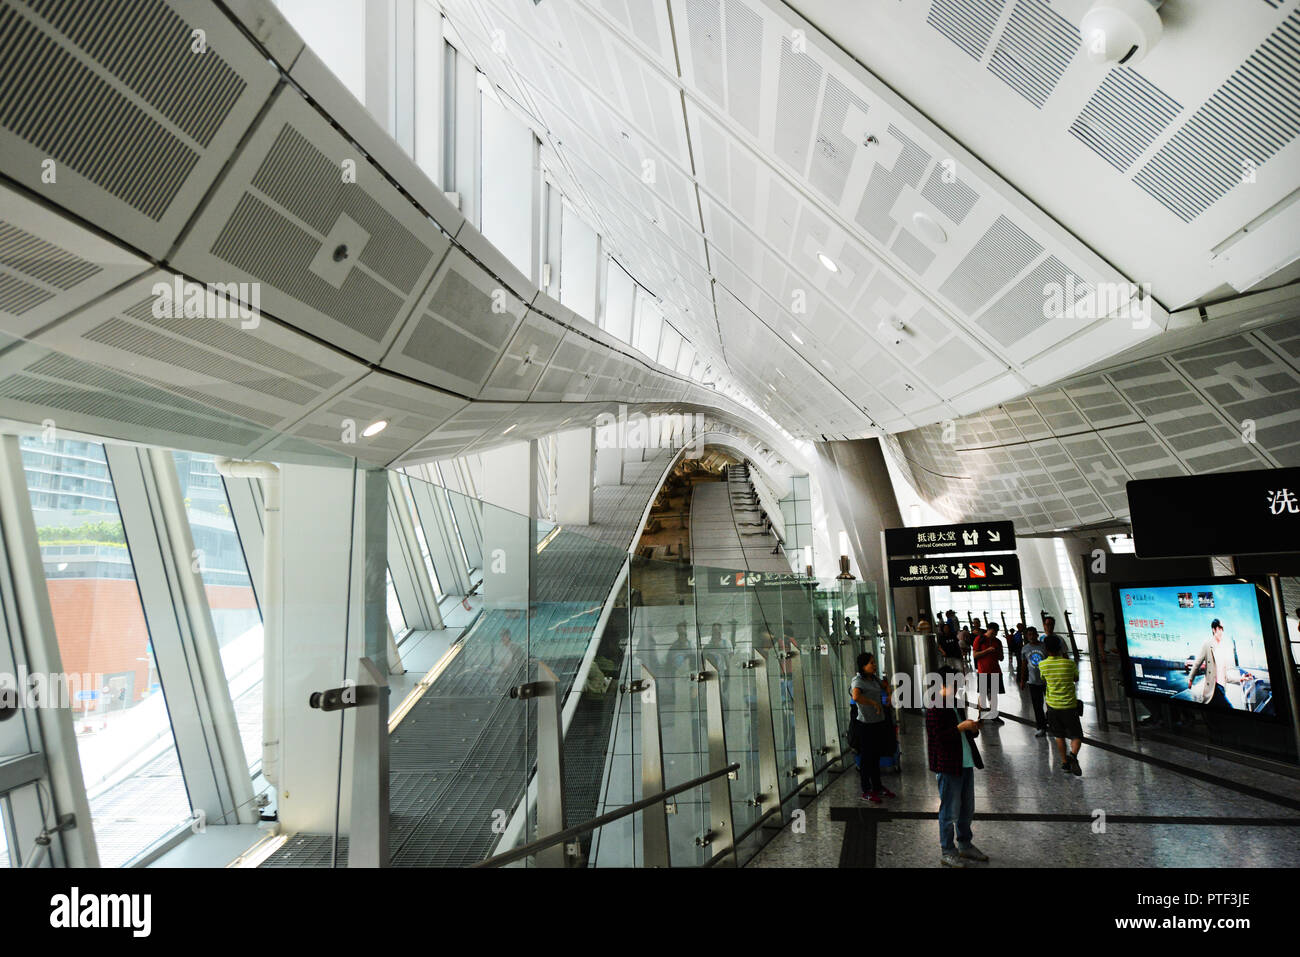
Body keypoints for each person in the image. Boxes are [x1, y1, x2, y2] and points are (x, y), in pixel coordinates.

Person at [925, 665, 987, 867]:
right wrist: (961, 727)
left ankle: (965, 844)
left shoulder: (955, 703)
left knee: (967, 808)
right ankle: (947, 850)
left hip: (965, 762)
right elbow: (939, 738)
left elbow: (965, 733)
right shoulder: (935, 705)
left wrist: (973, 728)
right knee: (950, 810)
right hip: (948, 765)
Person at [851, 653, 896, 803]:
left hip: (878, 722)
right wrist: (873, 703)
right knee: (866, 758)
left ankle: (877, 786)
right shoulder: (858, 681)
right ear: (863, 666)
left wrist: (889, 695)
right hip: (865, 725)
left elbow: (886, 685)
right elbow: (856, 696)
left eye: (874, 662)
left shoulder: (874, 679)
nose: (874, 665)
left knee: (876, 756)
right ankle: (866, 789)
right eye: (871, 663)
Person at [1040, 634, 1083, 775]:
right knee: (1076, 735)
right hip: (1070, 706)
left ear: (1046, 649)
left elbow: (1043, 679)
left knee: (1059, 736)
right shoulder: (1069, 663)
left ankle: (1065, 763)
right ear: (1060, 648)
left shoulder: (1043, 665)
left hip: (1053, 706)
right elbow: (1075, 678)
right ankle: (1073, 756)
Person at [1188, 619, 1242, 709]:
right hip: (1214, 689)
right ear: (1214, 629)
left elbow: (1225, 677)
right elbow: (1197, 663)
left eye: (1222, 629)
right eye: (1219, 628)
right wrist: (1190, 679)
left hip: (1221, 689)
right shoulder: (1207, 645)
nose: (1221, 631)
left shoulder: (1222, 649)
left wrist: (1241, 679)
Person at [971, 622, 1004, 723]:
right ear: (988, 630)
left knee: (993, 695)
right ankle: (981, 716)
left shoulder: (997, 641)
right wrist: (987, 651)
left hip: (995, 671)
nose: (994, 634)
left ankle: (994, 714)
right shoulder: (979, 639)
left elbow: (1001, 658)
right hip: (983, 671)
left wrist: (997, 652)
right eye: (993, 632)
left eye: (996, 632)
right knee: (983, 694)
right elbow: (975, 655)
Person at [1018, 627, 1048, 736]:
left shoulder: (1044, 647)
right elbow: (1024, 665)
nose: (1031, 636)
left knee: (1050, 704)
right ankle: (1041, 727)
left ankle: (1051, 722)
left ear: (1036, 634)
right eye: (1029, 635)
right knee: (1037, 705)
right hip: (1033, 681)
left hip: (1046, 681)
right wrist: (1022, 680)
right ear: (1026, 636)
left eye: (1033, 634)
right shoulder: (1025, 649)